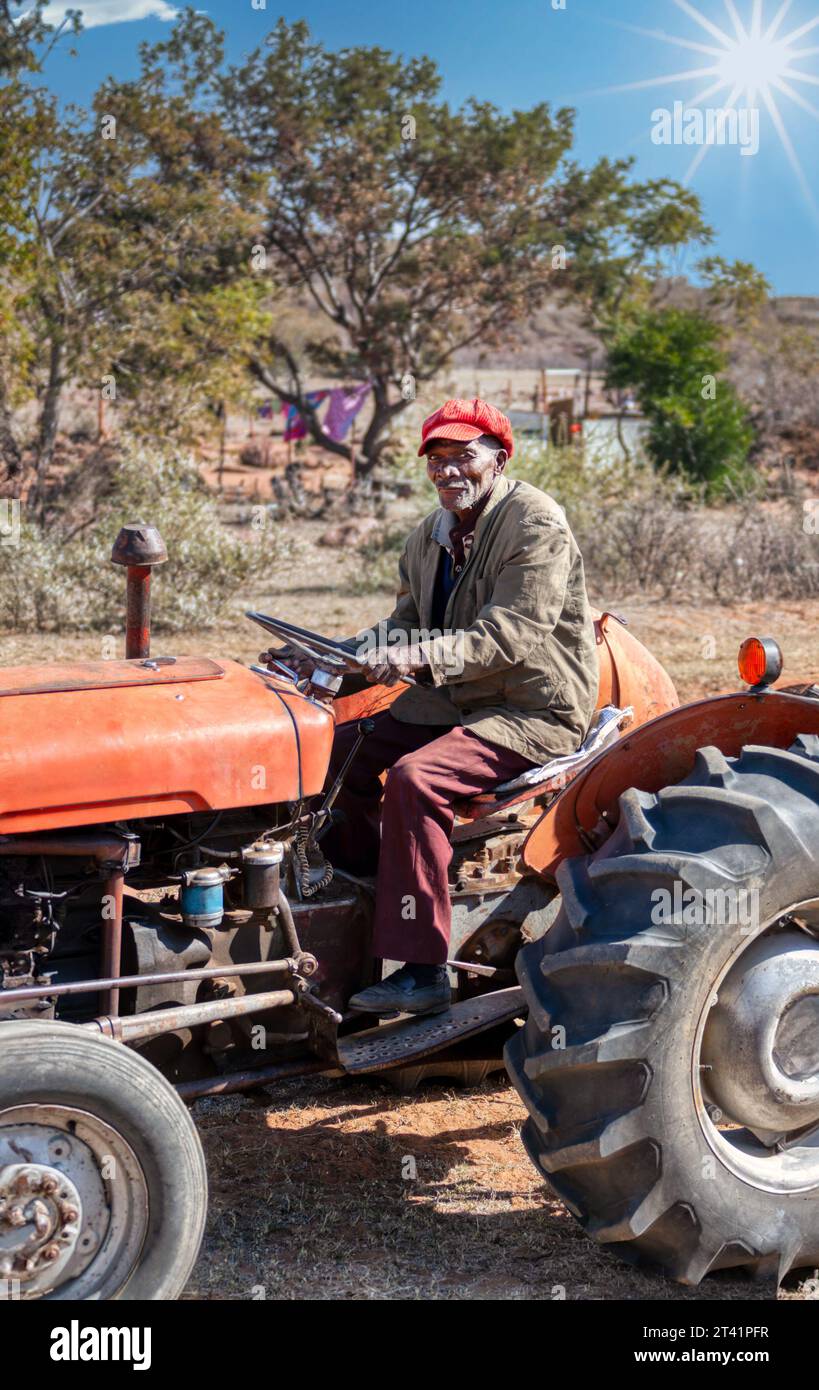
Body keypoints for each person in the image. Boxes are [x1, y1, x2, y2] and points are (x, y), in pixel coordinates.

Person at [265, 398, 599, 1017]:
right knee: (334, 755)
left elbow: (511, 635)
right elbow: (403, 625)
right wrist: (327, 658)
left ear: (499, 458)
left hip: (530, 709)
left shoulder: (535, 525)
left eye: (464, 456)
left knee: (418, 781)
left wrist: (417, 658)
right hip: (451, 700)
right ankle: (365, 890)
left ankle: (422, 970)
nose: (450, 471)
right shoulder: (429, 535)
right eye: (437, 459)